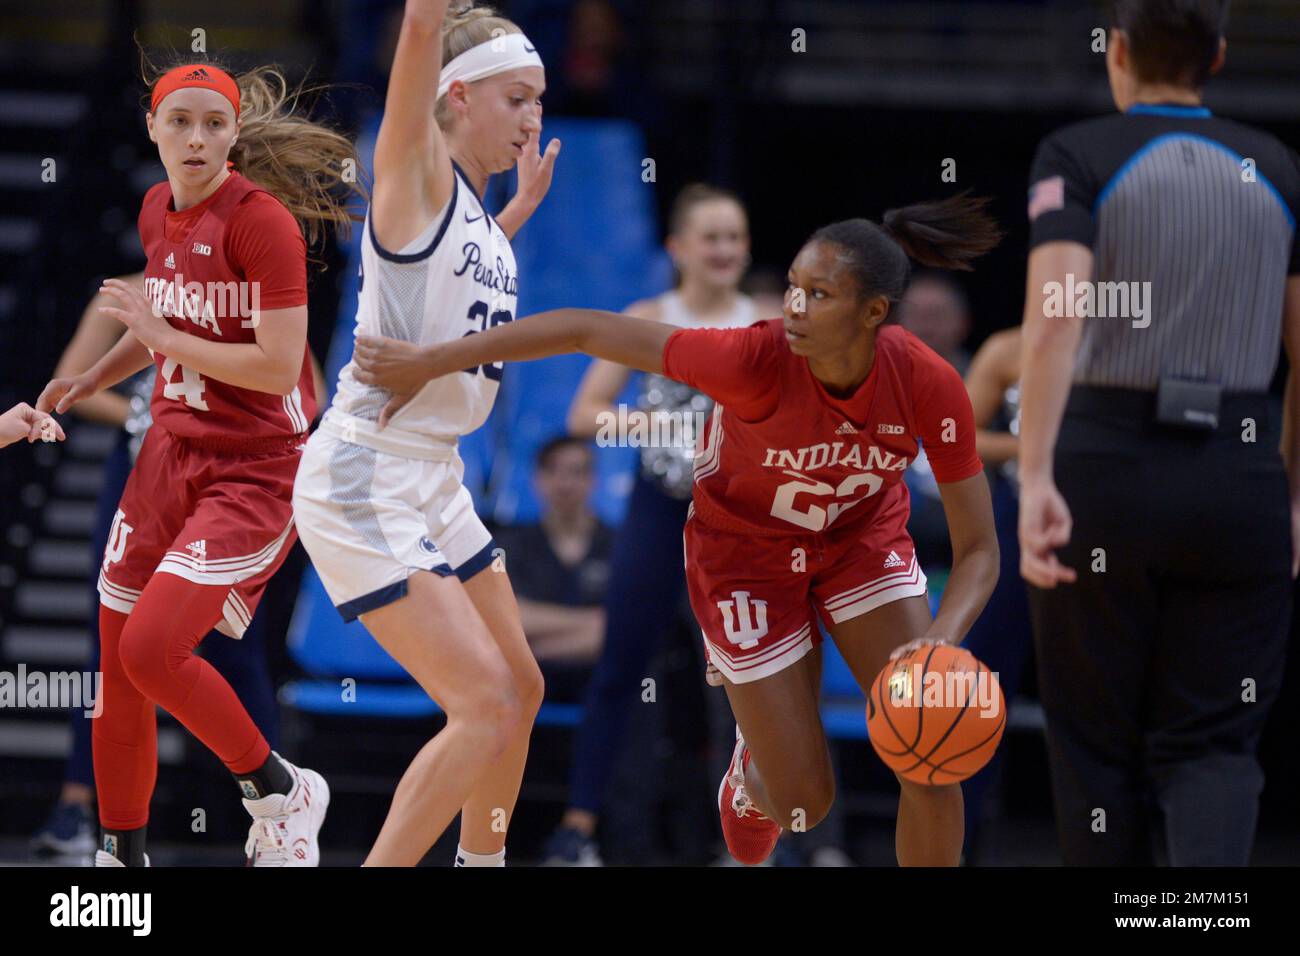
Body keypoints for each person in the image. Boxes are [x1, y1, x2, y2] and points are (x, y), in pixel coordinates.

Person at [353, 193, 1003, 865]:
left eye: (820, 294)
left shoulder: (927, 382)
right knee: (806, 805)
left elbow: (980, 548)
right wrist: (432, 360)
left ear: (873, 314)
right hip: (745, 555)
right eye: (792, 289)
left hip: (860, 546)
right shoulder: (753, 358)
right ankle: (752, 780)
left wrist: (939, 644)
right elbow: (584, 329)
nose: (795, 308)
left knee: (933, 755)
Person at [34, 54, 362, 867]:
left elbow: (279, 367)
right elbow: (159, 318)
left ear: (234, 134)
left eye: (214, 123)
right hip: (166, 458)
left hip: (253, 470)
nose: (196, 137)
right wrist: (89, 376)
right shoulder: (156, 210)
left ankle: (280, 789)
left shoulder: (262, 224)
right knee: (115, 669)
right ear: (151, 128)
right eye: (178, 121)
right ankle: (120, 858)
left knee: (154, 651)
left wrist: (162, 339)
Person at [1017, 0, 1300, 864]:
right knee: (1214, 745)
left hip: (1106, 466)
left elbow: (1058, 318)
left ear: (1120, 53)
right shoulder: (1279, 165)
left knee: (1094, 744)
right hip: (1239, 472)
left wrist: (1034, 478)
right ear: (1216, 57)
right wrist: (1292, 495)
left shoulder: (1078, 153)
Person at [291, 0, 560, 867]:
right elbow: (416, 29)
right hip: (366, 475)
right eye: (516, 97)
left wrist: (513, 217)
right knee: (481, 701)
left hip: (433, 476)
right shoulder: (416, 174)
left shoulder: (480, 219)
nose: (533, 119)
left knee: (521, 687)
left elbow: (450, 283)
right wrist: (425, 18)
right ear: (455, 96)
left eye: (540, 100)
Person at [543, 183, 777, 865]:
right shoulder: (649, 317)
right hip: (660, 505)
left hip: (739, 519)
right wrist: (678, 421)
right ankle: (578, 829)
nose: (726, 249)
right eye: (712, 237)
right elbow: (585, 417)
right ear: (678, 248)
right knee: (621, 665)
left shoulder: (764, 323)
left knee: (752, 675)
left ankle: (758, 837)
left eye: (735, 237)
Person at [490, 436, 613, 696]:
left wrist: (532, 646)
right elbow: (508, 620)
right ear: (537, 479)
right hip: (524, 682)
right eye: (553, 470)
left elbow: (624, 628)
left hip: (599, 677)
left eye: (576, 472)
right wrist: (594, 622)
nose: (565, 483)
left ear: (594, 480)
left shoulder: (621, 544)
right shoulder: (511, 545)